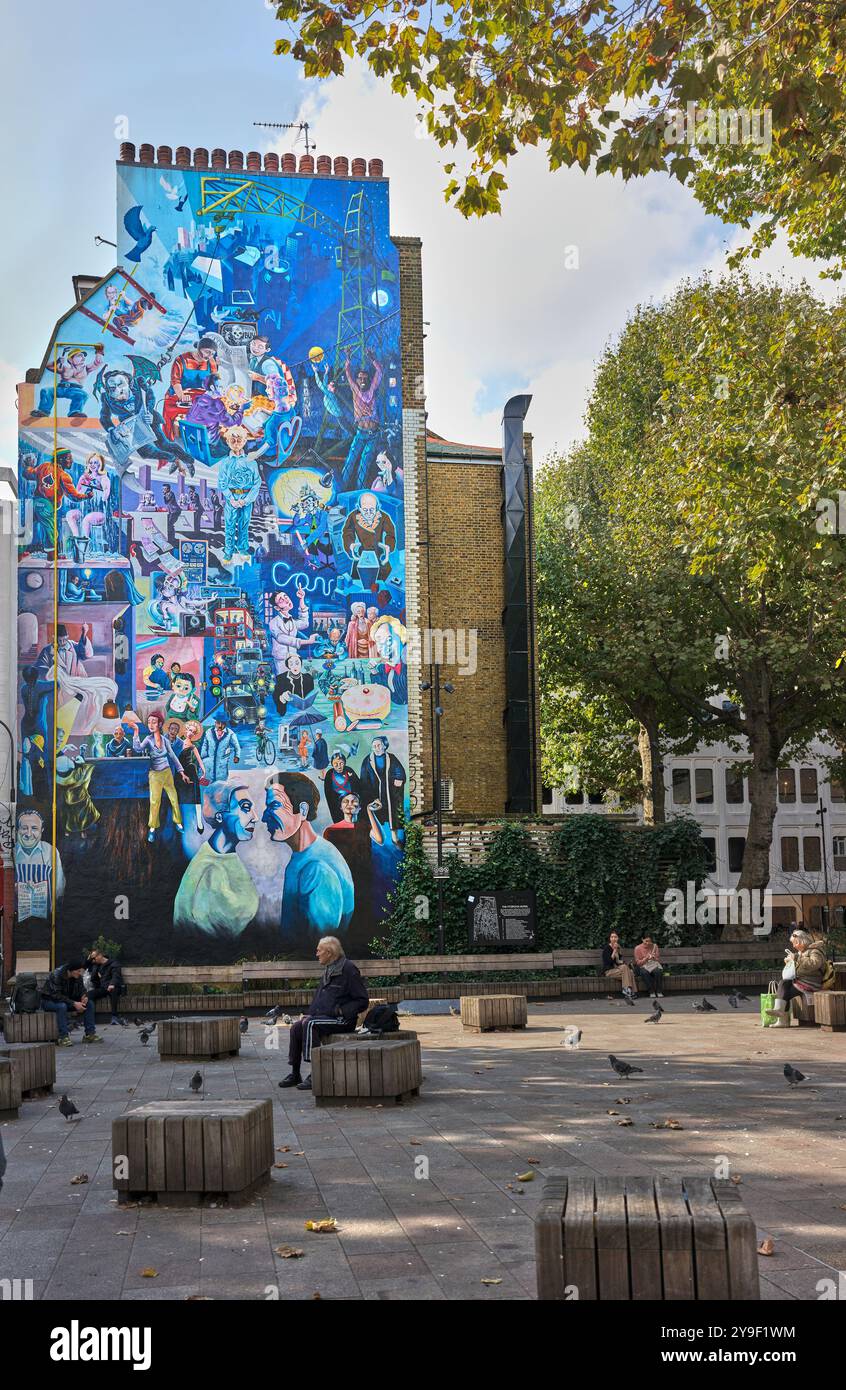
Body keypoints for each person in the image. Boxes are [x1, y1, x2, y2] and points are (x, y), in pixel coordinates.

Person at [262, 772, 354, 938]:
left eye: (274, 806)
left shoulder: (316, 870)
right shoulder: (304, 857)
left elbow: (320, 945)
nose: (264, 817)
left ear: (303, 810)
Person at [278, 936, 368, 1091]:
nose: (316, 954)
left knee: (310, 1024)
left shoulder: (348, 969)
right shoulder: (329, 969)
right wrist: (310, 1014)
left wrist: (341, 1011)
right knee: (297, 1027)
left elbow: (362, 1001)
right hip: (325, 1018)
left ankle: (316, 1074)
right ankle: (295, 1073)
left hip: (342, 1020)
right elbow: (320, 999)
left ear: (329, 952)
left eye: (319, 950)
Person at [173, 782, 259, 939]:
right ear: (220, 816)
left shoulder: (226, 857)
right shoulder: (209, 871)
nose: (255, 817)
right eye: (245, 808)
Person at [132, 710, 189, 842]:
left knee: (174, 798)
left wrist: (182, 772)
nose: (150, 724)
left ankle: (178, 822)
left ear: (160, 724)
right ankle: (152, 828)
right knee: (154, 801)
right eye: (149, 722)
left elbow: (173, 756)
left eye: (154, 722)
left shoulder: (165, 740)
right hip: (155, 775)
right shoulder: (148, 739)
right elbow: (138, 749)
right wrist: (136, 732)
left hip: (167, 772)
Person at [765, 929, 828, 1026]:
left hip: (811, 982)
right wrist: (790, 962)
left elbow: (814, 964)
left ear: (802, 941)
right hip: (802, 981)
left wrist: (797, 958)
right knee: (784, 985)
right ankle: (780, 1015)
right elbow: (800, 965)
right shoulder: (802, 952)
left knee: (785, 989)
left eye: (795, 943)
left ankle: (782, 1019)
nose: (794, 946)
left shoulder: (815, 951)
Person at [39, 959, 100, 1045]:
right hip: (49, 1001)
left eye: (81, 971)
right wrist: (74, 1003)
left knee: (89, 1003)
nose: (80, 973)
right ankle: (63, 1037)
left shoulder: (77, 976)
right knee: (62, 1006)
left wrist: (84, 996)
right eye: (78, 971)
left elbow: (82, 989)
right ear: (70, 970)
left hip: (67, 1001)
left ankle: (90, 1034)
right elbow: (56, 995)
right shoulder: (56, 975)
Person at [87, 950, 127, 1026]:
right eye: (92, 959)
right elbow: (85, 967)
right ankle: (90, 1018)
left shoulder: (114, 963)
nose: (93, 960)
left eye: (94, 958)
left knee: (113, 990)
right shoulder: (96, 966)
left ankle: (114, 1017)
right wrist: (88, 960)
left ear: (100, 956)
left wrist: (112, 984)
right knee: (88, 995)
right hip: (103, 988)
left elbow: (116, 975)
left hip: (115, 987)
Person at [200, 717, 241, 781]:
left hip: (222, 762)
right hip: (209, 761)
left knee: (221, 783)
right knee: (208, 781)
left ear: (225, 724)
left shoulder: (230, 733)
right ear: (215, 723)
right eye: (218, 723)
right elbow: (204, 745)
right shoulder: (209, 732)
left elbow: (237, 746)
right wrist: (204, 757)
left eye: (223, 723)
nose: (220, 725)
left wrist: (237, 756)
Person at [601, 931, 637, 998]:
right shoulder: (607, 949)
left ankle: (631, 992)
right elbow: (608, 962)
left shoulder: (618, 947)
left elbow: (618, 961)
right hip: (609, 971)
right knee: (625, 969)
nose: (614, 938)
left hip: (617, 971)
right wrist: (614, 951)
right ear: (610, 938)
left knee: (630, 972)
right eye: (612, 937)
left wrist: (625, 962)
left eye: (615, 937)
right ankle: (627, 991)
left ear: (618, 938)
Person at [633, 933, 664, 999]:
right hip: (643, 966)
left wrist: (654, 957)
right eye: (646, 941)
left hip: (652, 965)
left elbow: (657, 959)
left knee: (658, 971)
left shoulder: (654, 946)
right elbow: (638, 963)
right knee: (644, 972)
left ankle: (659, 991)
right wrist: (646, 958)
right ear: (642, 939)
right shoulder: (637, 948)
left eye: (649, 941)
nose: (648, 943)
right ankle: (651, 991)